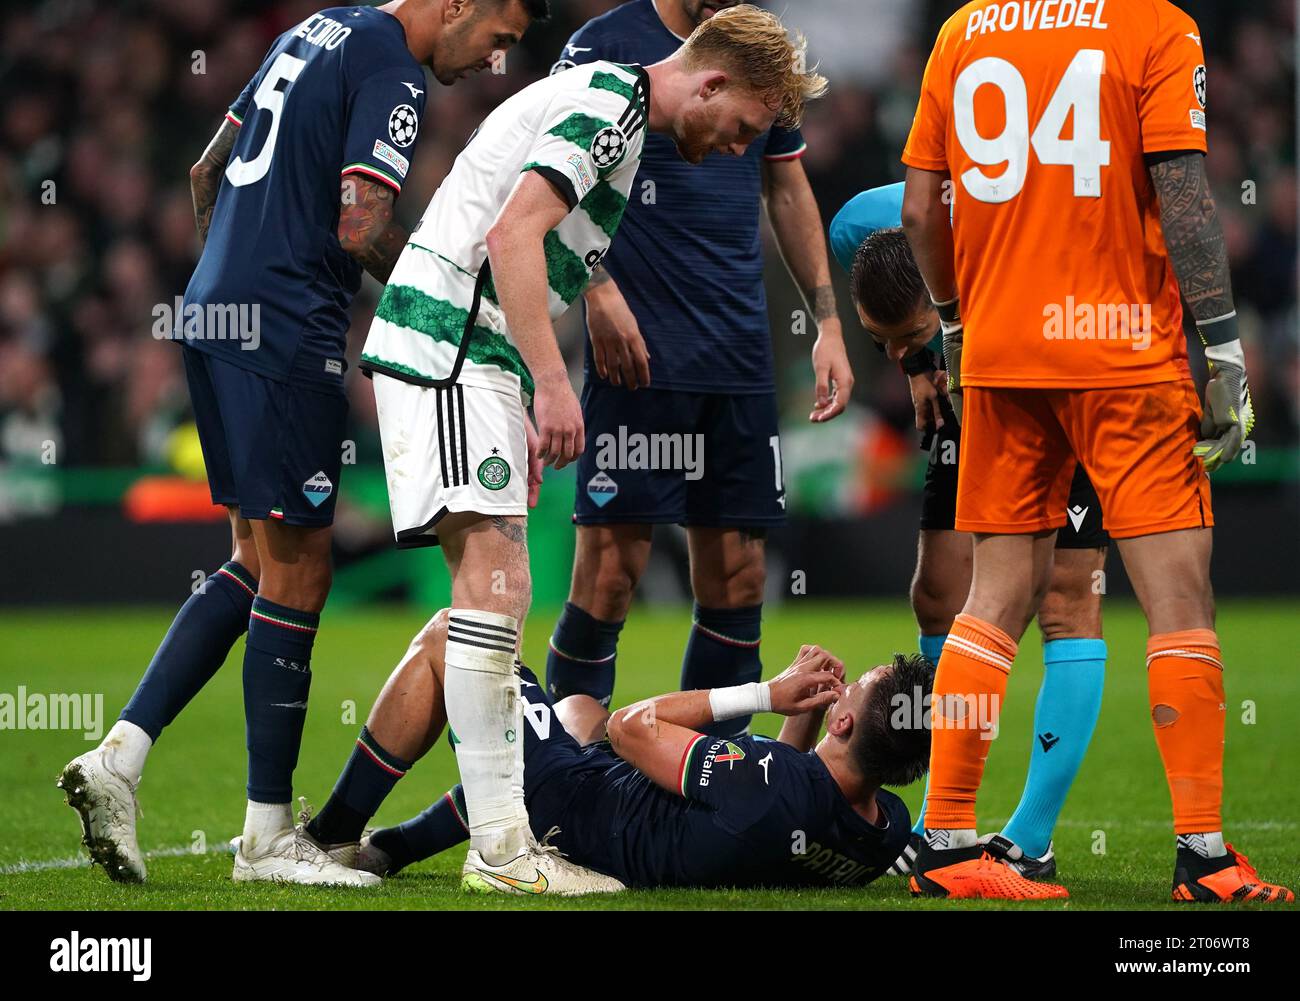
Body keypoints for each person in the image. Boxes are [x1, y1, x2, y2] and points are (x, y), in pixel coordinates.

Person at [305, 5, 828, 895]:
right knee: (498, 591)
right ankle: (502, 848)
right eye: (741, 127)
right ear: (709, 83)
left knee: (485, 605)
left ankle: (384, 836)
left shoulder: (608, 103)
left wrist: (518, 387)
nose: (740, 149)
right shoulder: (616, 108)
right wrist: (550, 382)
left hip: (471, 353)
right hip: (451, 345)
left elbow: (533, 237)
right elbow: (512, 235)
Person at [58, 0, 544, 887]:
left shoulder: (315, 29)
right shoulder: (393, 67)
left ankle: (119, 757)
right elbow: (359, 225)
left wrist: (236, 268)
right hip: (283, 329)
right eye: (500, 35)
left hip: (214, 308)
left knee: (253, 559)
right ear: (461, 4)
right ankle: (269, 837)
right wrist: (450, 303)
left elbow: (209, 168)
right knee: (302, 572)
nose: (495, 59)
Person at [900, 0, 1292, 901]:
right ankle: (1204, 856)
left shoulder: (966, 30)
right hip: (1125, 358)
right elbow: (1185, 192)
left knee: (991, 599)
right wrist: (1226, 345)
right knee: (1178, 596)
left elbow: (923, 208)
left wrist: (959, 321)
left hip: (1001, 354)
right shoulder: (1155, 24)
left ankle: (949, 840)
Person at [542, 0, 854, 735]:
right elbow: (545, 179)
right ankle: (563, 775)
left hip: (737, 354)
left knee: (739, 577)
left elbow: (787, 185)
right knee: (611, 573)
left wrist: (828, 321)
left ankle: (702, 786)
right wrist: (595, 286)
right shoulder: (603, 47)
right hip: (638, 355)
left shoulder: (758, 52)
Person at [829, 184, 1108, 878]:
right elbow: (852, 222)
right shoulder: (898, 225)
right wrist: (924, 361)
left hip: (1067, 383)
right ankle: (941, 820)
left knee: (1067, 601)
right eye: (881, 345)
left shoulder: (1040, 222)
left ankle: (1030, 837)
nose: (894, 358)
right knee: (938, 594)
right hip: (974, 401)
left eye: (909, 340)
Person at [316, 610, 930, 891]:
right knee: (578, 708)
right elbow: (804, 793)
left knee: (456, 636)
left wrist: (767, 692)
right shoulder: (882, 832)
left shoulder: (762, 782)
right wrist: (809, 714)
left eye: (848, 692)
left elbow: (631, 730)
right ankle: (390, 850)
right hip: (629, 815)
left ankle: (331, 838)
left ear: (845, 720)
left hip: (580, 812)